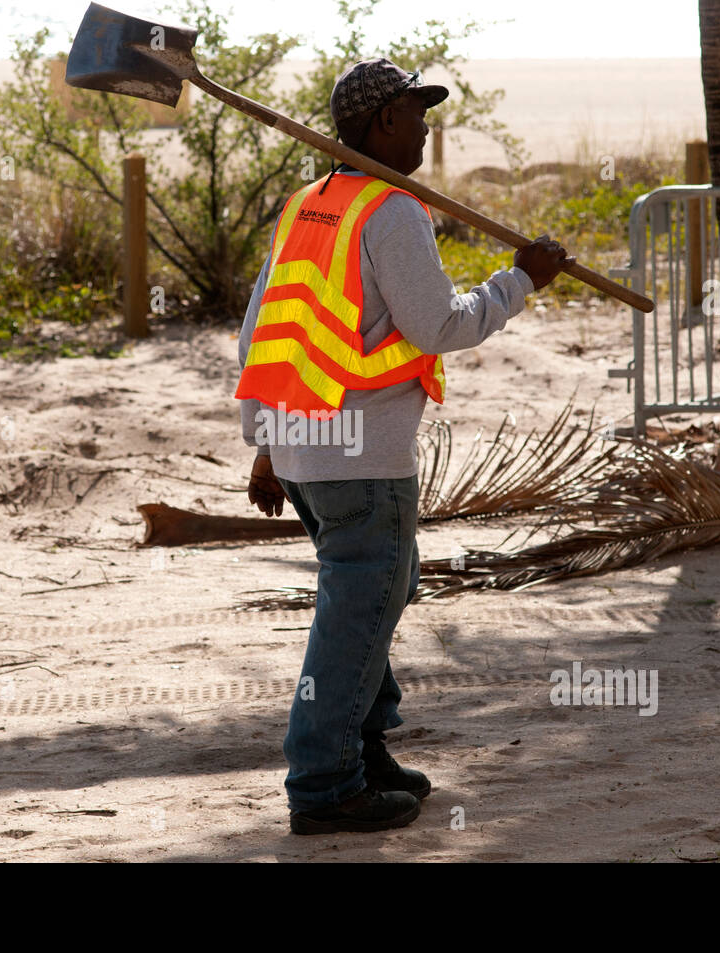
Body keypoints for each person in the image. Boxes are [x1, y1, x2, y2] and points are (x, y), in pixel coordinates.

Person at [234, 58, 572, 835]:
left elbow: (263, 333)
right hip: (363, 460)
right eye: (416, 111)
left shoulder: (307, 206)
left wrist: (264, 444)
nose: (425, 124)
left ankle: (363, 748)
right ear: (382, 121)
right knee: (358, 612)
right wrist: (521, 279)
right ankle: (324, 782)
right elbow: (439, 327)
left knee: (375, 598)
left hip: (304, 452)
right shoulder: (391, 210)